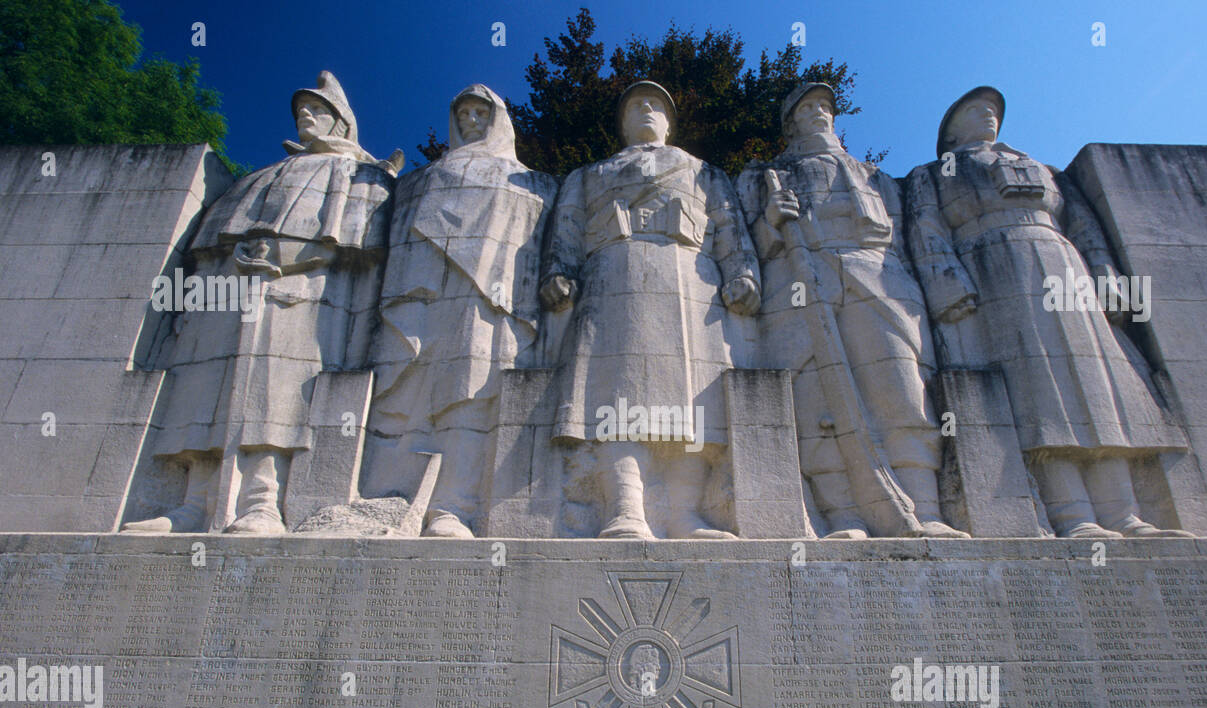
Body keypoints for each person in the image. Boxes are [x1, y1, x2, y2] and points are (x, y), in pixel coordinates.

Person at [906, 87, 1191, 538]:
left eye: (993, 108)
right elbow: (926, 229)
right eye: (974, 108)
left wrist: (1106, 275)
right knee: (1041, 394)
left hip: (1063, 262)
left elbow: (1084, 227)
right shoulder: (935, 172)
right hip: (994, 267)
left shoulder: (1045, 168)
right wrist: (946, 285)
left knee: (1099, 388)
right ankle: (1071, 513)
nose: (988, 114)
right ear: (950, 130)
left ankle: (1123, 514)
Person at [124, 71, 398, 534]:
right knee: (208, 391)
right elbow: (210, 242)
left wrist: (288, 258)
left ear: (340, 121)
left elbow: (358, 242)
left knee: (275, 397)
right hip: (229, 293)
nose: (305, 116)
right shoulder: (268, 173)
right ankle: (195, 505)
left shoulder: (354, 171)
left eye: (316, 109)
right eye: (300, 111)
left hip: (300, 295)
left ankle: (261, 504)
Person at [737, 83, 967, 538]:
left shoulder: (876, 176)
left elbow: (909, 238)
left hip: (880, 275)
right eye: (807, 107)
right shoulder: (764, 176)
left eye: (825, 105)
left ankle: (927, 509)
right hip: (800, 277)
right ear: (790, 123)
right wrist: (770, 222)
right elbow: (749, 251)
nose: (820, 112)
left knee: (902, 391)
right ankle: (843, 515)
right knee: (816, 398)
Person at [540, 81, 760, 539]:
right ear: (622, 122)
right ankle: (625, 510)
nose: (646, 108)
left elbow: (728, 223)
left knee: (692, 400)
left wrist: (742, 273)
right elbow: (567, 226)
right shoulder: (587, 175)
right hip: (612, 271)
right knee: (615, 396)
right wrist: (558, 272)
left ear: (668, 119)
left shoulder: (704, 171)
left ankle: (682, 514)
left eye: (656, 103)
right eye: (636, 103)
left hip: (690, 276)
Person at [364, 84, 556, 536]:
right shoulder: (420, 178)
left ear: (499, 120)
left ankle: (455, 506)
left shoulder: (528, 181)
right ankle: (389, 498)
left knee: (470, 394)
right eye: (464, 112)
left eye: (480, 112)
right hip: (418, 295)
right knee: (405, 391)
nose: (471, 120)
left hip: (483, 300)